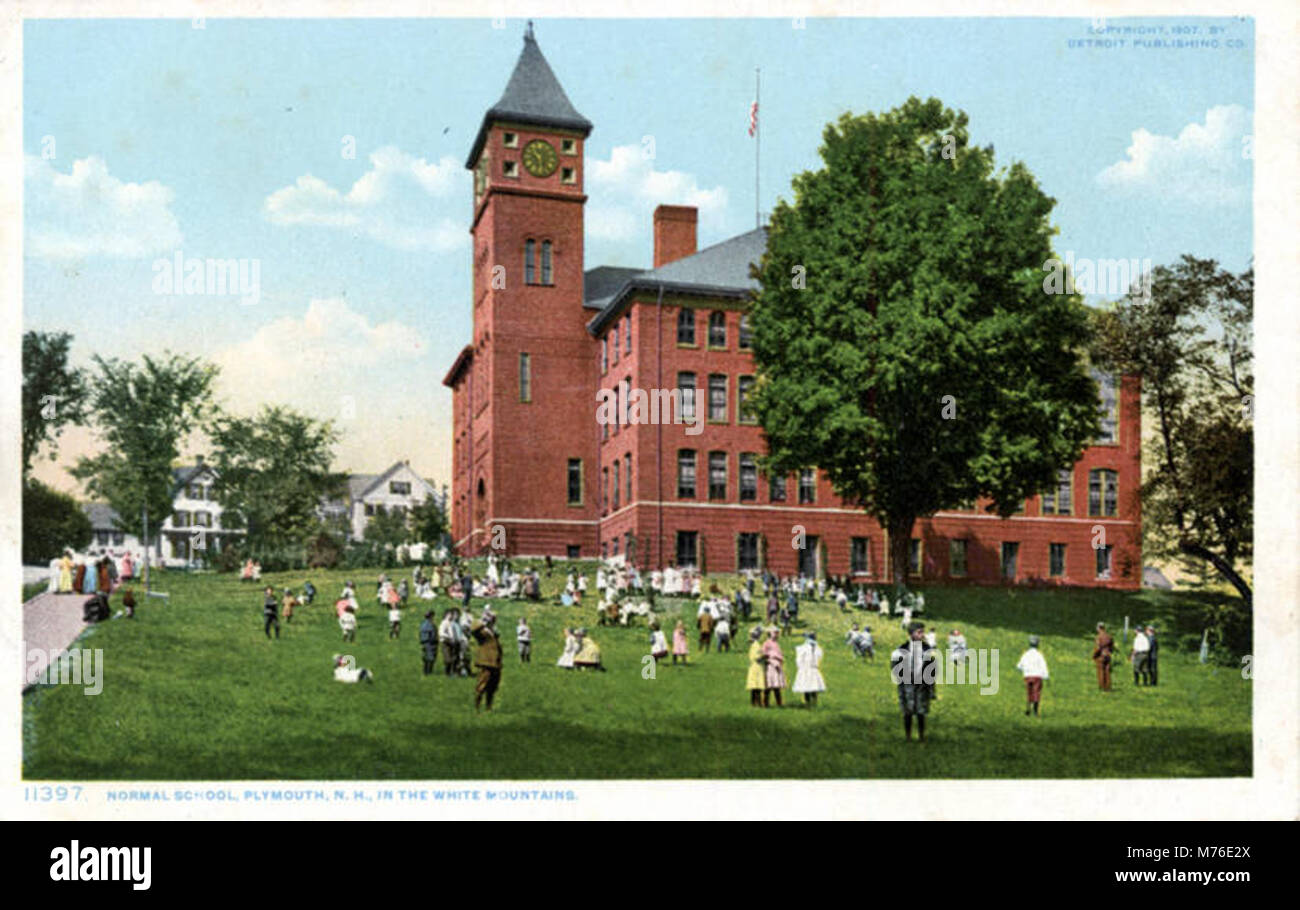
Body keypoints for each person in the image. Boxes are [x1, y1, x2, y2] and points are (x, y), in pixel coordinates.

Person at [890, 622, 937, 742]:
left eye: (923, 632)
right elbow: (895, 666)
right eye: (919, 632)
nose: (922, 635)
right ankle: (908, 736)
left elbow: (932, 669)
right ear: (911, 634)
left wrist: (932, 688)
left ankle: (921, 736)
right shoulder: (902, 649)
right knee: (908, 711)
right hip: (907, 684)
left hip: (922, 684)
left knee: (921, 711)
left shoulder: (927, 649)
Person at [471, 608, 503, 712]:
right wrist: (483, 621)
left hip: (495, 662)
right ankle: (477, 707)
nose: (493, 620)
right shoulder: (482, 631)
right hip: (486, 662)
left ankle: (488, 708)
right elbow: (473, 629)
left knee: (492, 687)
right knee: (482, 685)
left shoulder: (493, 631)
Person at [1016, 634, 1049, 717]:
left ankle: (1028, 709)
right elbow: (1043, 666)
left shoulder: (1026, 654)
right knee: (1036, 693)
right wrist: (1046, 676)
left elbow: (1019, 666)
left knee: (1029, 692)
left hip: (1027, 676)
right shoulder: (1039, 655)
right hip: (1037, 676)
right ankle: (1035, 711)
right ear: (1037, 644)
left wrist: (1024, 669)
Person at [792, 631, 826, 706]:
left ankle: (814, 702)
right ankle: (807, 702)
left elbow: (819, 657)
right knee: (806, 686)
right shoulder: (803, 648)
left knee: (814, 686)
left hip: (813, 668)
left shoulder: (818, 648)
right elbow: (799, 659)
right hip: (805, 668)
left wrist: (816, 664)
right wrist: (801, 668)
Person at [761, 628, 786, 708]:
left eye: (777, 633)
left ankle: (779, 703)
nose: (776, 634)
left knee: (776, 685)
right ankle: (765, 703)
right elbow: (764, 654)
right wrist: (770, 660)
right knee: (769, 685)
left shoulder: (776, 643)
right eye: (774, 633)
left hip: (777, 665)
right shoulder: (766, 643)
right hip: (771, 666)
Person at [1092, 622, 1115, 691]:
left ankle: (1102, 686)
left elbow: (1098, 648)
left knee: (1101, 671)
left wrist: (1094, 655)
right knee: (1107, 671)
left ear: (1099, 628)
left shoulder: (1098, 637)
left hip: (1101, 656)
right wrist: (1109, 652)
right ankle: (1108, 686)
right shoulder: (1109, 636)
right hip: (1108, 655)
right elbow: (1112, 647)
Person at [745, 627, 766, 707]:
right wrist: (764, 657)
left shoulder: (753, 645)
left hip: (753, 666)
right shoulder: (757, 645)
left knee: (754, 686)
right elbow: (757, 657)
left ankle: (754, 703)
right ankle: (758, 703)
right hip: (757, 667)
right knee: (757, 686)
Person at [439, 609, 459, 676]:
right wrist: (449, 637)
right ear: (446, 615)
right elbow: (441, 633)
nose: (451, 616)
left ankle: (451, 673)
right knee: (448, 659)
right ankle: (447, 673)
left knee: (453, 658)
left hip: (451, 643)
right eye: (450, 614)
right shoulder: (444, 623)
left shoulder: (451, 623)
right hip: (445, 642)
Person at [419, 610, 438, 675]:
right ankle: (427, 671)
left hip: (431, 642)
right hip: (429, 642)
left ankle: (428, 671)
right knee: (429, 657)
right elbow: (428, 634)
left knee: (431, 657)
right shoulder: (427, 624)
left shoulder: (429, 623)